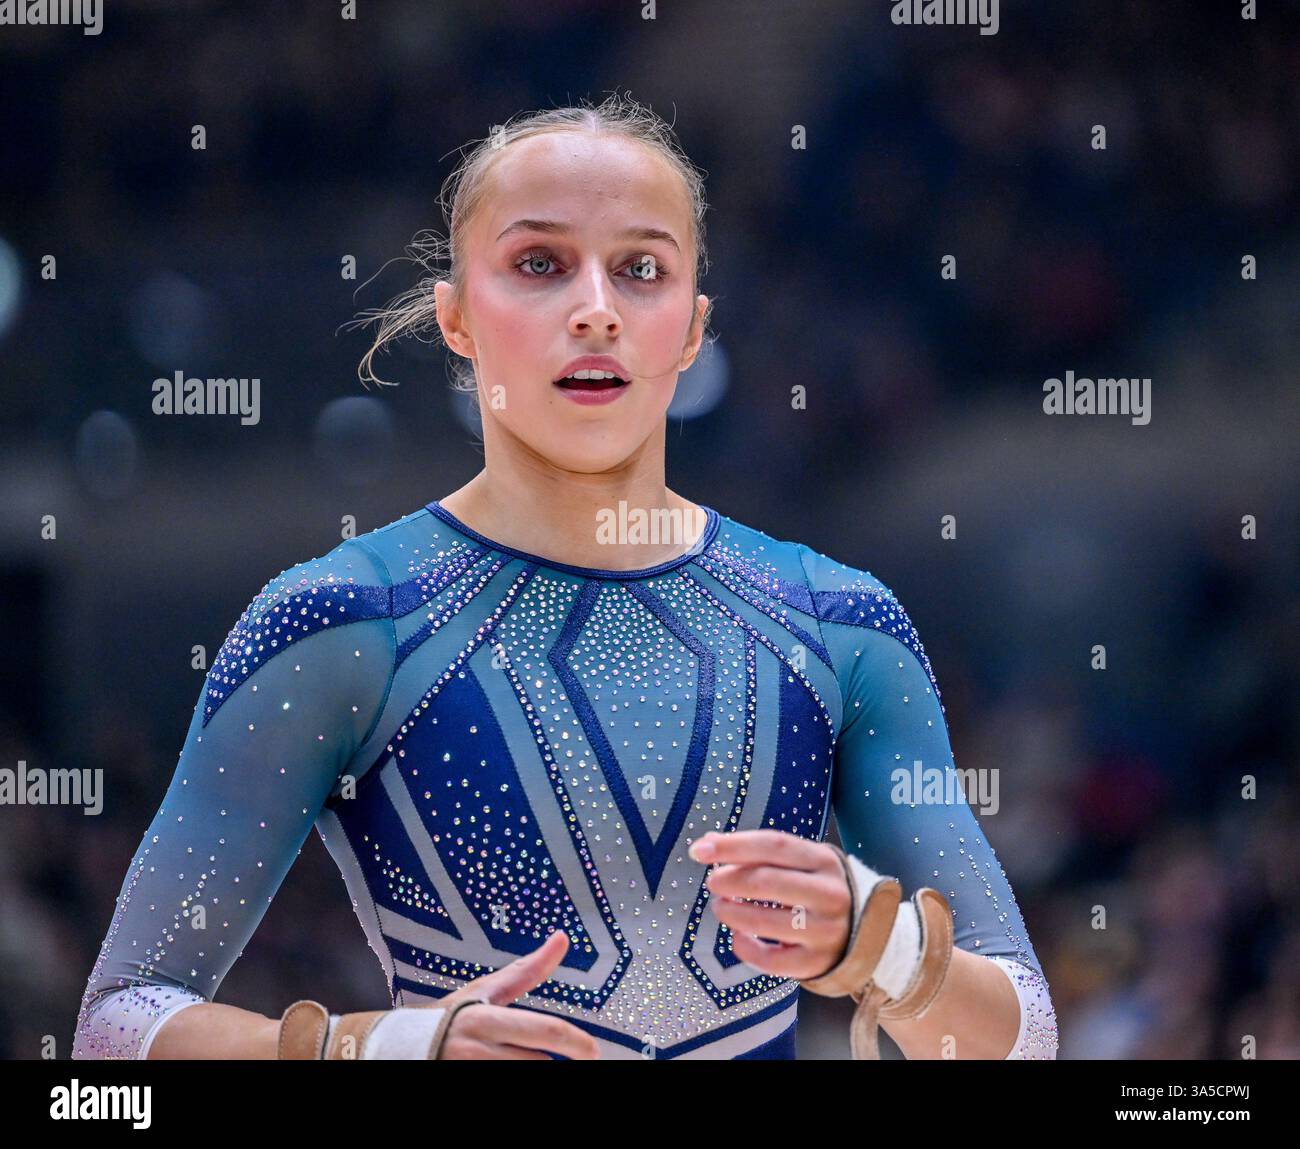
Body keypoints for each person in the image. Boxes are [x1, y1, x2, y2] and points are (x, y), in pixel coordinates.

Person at [72, 93, 1057, 1061]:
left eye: (640, 269)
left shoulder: (842, 626)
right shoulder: (338, 622)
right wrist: (373, 1051)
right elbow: (117, 1027)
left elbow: (1024, 1036)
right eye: (539, 264)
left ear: (691, 325)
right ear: (456, 318)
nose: (594, 311)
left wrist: (876, 945)